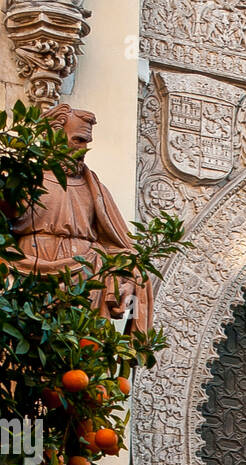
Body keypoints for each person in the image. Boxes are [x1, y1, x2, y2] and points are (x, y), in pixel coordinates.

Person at [8, 104, 153, 333]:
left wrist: (126, 279)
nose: (85, 148)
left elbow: (120, 247)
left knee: (83, 351)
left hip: (87, 279)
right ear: (53, 134)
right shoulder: (23, 181)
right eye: (79, 140)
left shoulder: (95, 189)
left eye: (87, 142)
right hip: (31, 269)